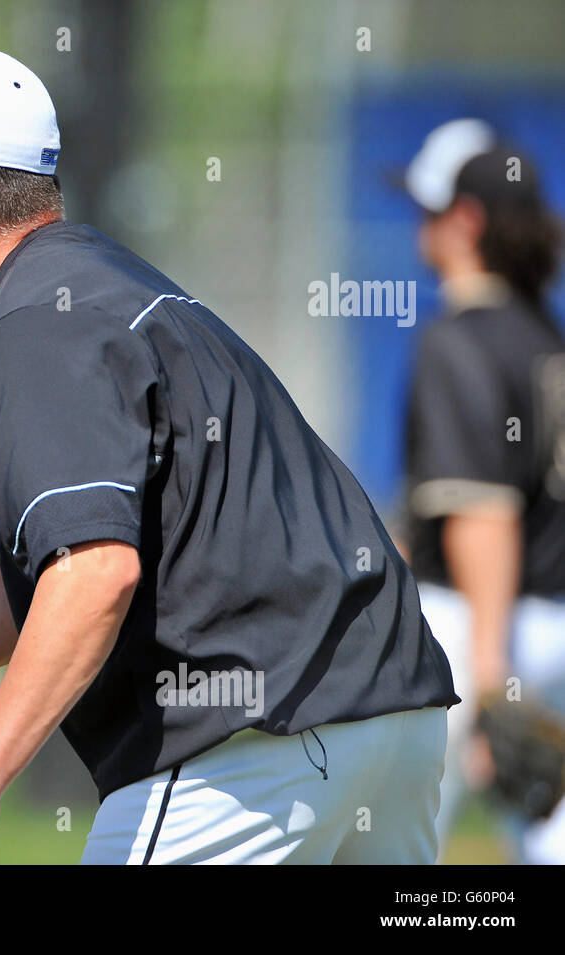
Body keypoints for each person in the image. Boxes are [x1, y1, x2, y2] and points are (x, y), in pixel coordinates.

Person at [0, 43, 459, 865]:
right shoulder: (100, 285)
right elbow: (58, 565)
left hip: (250, 744)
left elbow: (94, 575)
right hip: (389, 716)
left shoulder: (38, 327)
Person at [400, 118, 565, 862]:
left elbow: (483, 515)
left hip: (479, 627)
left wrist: (492, 682)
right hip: (553, 623)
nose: (420, 226)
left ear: (465, 222)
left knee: (402, 845)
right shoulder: (545, 339)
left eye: (430, 210)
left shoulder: (457, 339)